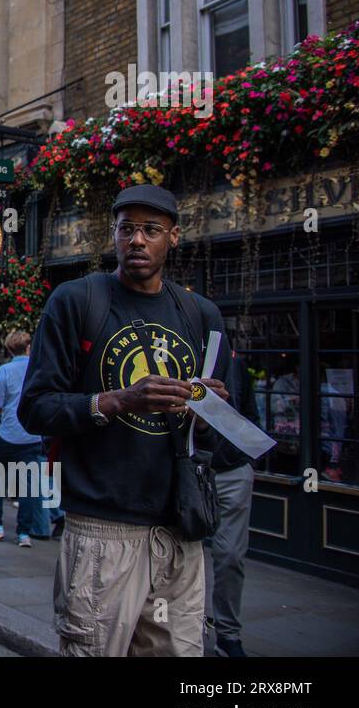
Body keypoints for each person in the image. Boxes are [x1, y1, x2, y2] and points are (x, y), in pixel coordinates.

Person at [19, 184, 232, 657]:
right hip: (103, 532)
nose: (137, 239)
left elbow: (230, 446)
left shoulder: (202, 315)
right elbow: (36, 408)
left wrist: (210, 414)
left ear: (173, 238)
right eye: (126, 228)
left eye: (151, 230)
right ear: (114, 235)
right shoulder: (77, 301)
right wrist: (117, 400)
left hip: (182, 532)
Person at [204, 349, 257, 658]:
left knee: (230, 556)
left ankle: (227, 635)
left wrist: (247, 460)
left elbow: (248, 410)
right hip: (190, 470)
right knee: (179, 556)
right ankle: (178, 624)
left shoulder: (235, 364)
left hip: (231, 469)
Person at [0, 330, 44, 547]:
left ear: (9, 349)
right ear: (28, 347)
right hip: (32, 435)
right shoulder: (38, 369)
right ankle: (24, 533)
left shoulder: (5, 370)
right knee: (29, 487)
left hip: (8, 434)